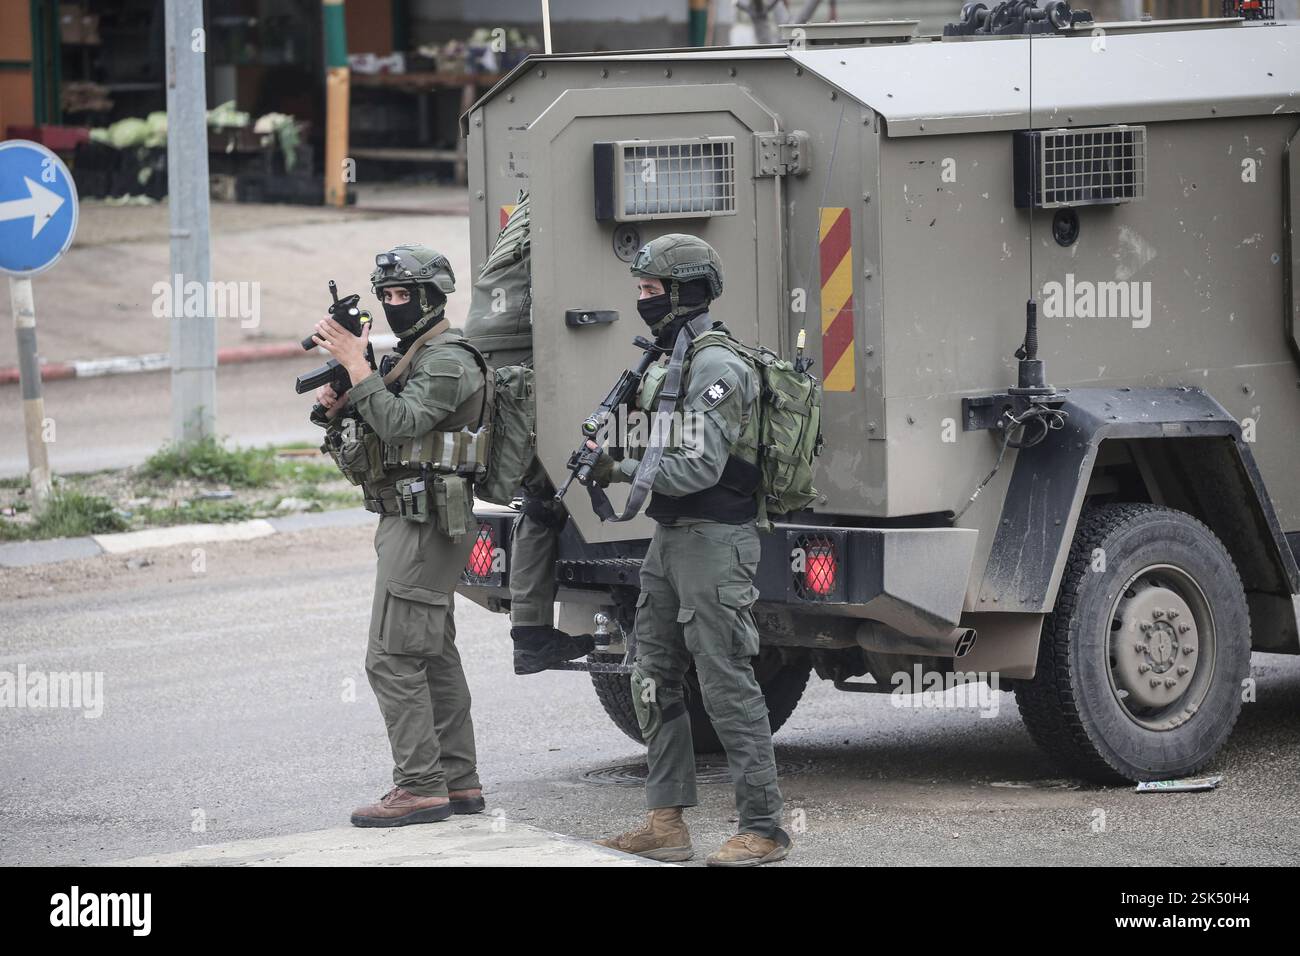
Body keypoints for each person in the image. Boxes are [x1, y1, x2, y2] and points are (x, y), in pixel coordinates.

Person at [589, 234, 792, 866]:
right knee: (651, 677)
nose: (643, 302)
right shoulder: (667, 360)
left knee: (726, 681)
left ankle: (762, 828)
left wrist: (621, 469)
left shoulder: (717, 369)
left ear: (686, 293)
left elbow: (700, 467)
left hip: (715, 542)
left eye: (651, 291)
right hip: (672, 540)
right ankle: (666, 821)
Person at [312, 243, 488, 827]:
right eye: (385, 295)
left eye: (402, 295)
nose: (393, 305)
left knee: (390, 658)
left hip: (425, 522)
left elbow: (403, 421)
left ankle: (420, 787)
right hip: (413, 518)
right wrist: (341, 397)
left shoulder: (448, 359)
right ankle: (458, 783)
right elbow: (381, 426)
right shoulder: (413, 355)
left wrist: (360, 367)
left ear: (433, 297)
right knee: (432, 655)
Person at [464, 190, 595, 675]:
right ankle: (531, 636)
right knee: (543, 498)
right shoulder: (558, 201)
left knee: (537, 497)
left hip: (496, 345)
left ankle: (531, 633)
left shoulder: (528, 203)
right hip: (514, 347)